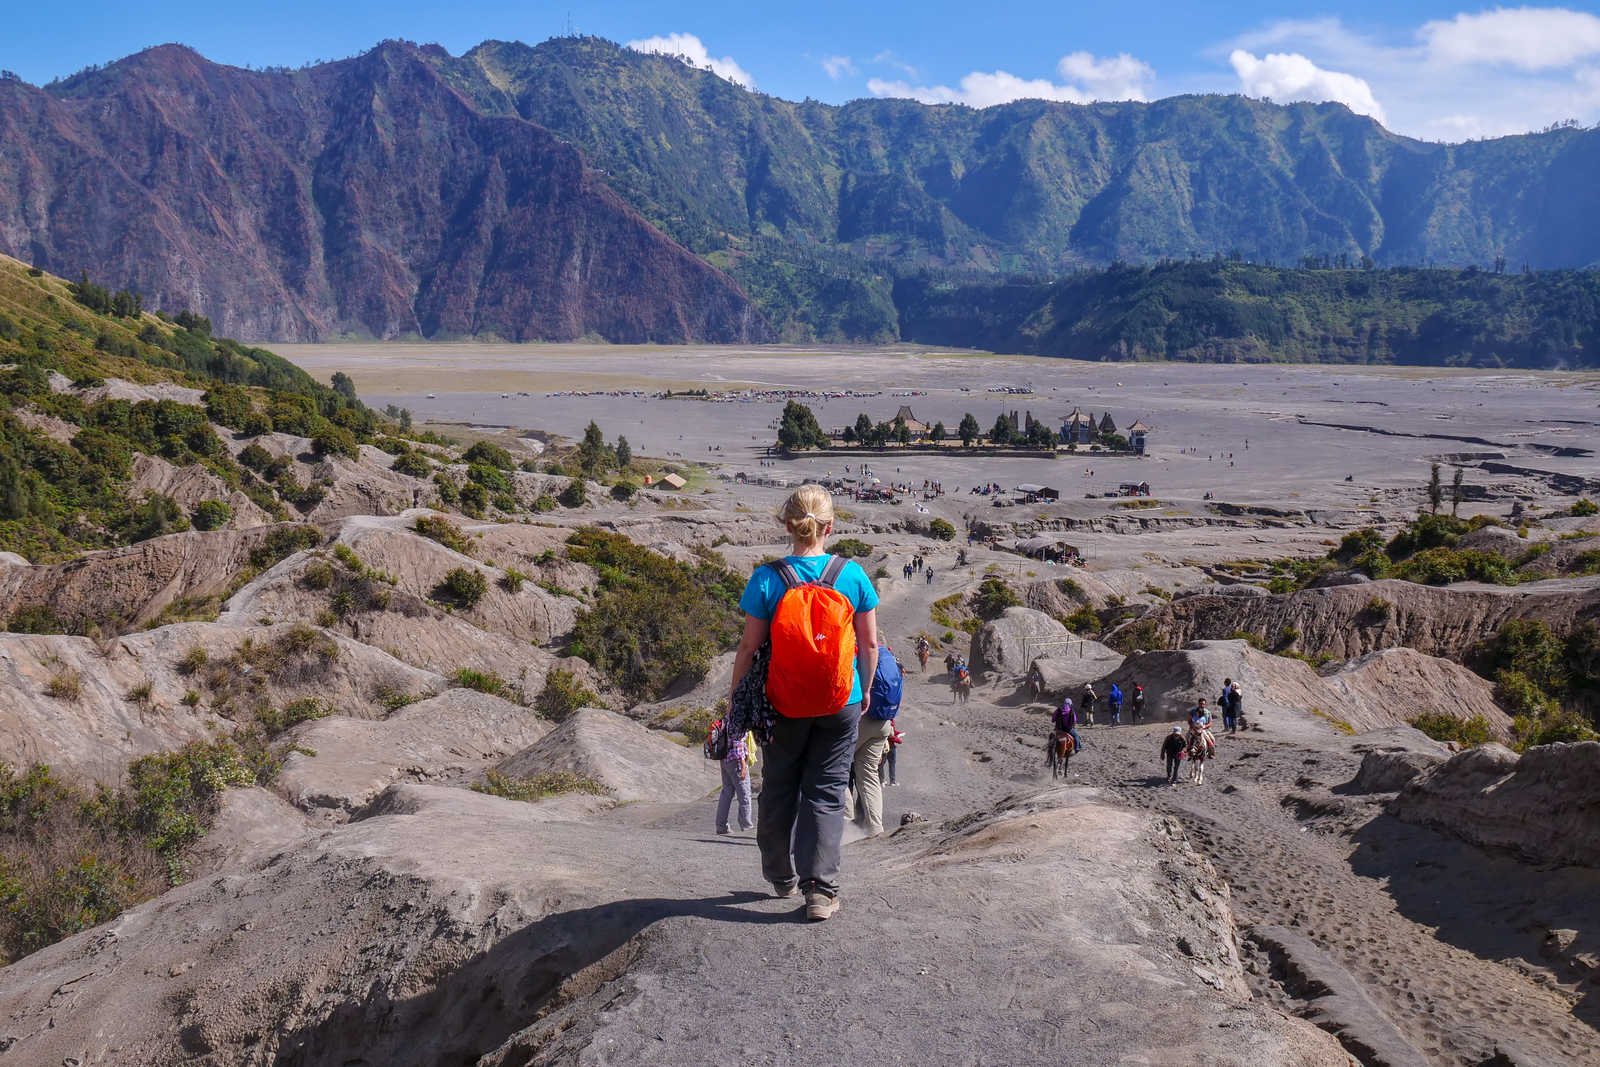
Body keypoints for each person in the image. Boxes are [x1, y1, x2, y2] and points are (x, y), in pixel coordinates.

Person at [730, 484, 879, 922]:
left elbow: (748, 648)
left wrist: (736, 699)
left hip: (782, 703)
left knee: (779, 786)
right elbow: (870, 645)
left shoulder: (766, 578)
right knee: (827, 791)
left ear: (787, 524)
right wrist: (865, 688)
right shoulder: (852, 575)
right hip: (841, 700)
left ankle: (780, 875)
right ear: (829, 527)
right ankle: (820, 891)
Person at [849, 643, 902, 837]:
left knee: (835, 767)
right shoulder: (885, 653)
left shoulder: (854, 647)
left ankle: (844, 827)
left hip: (860, 718)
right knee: (869, 774)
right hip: (883, 722)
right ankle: (875, 830)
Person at [715, 728, 755, 835]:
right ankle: (747, 827)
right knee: (745, 795)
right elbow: (738, 742)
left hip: (725, 759)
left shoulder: (726, 720)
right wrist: (743, 765)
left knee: (727, 793)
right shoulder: (738, 720)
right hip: (736, 760)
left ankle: (721, 826)